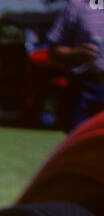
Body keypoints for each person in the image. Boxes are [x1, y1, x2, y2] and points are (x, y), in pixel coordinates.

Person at [48, 0, 104, 128]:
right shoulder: (77, 6)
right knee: (80, 144)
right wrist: (77, 53)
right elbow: (53, 52)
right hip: (84, 90)